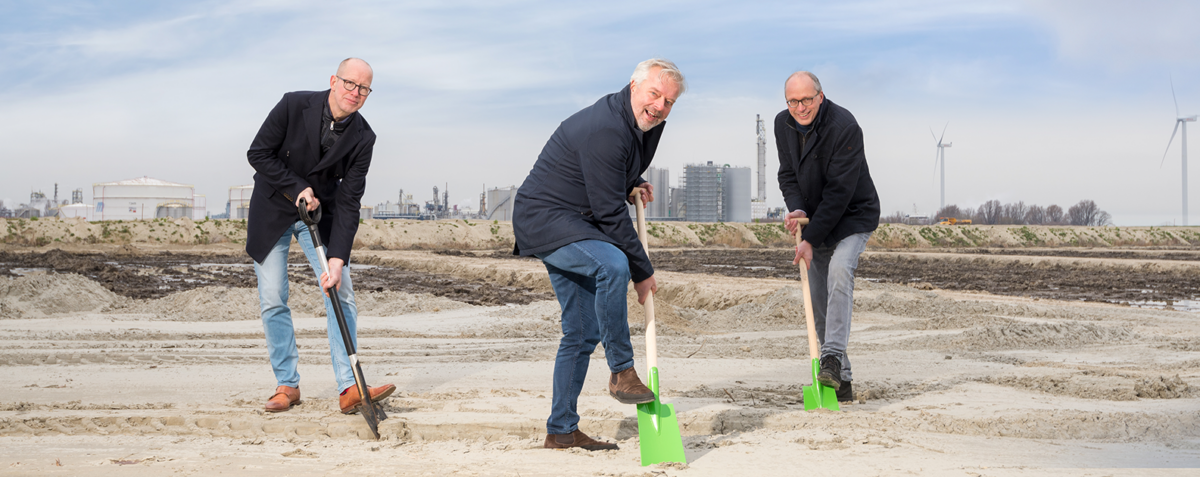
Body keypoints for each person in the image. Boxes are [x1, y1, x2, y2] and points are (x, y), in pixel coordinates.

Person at [512, 58, 686, 451]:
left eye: (669, 101)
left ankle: (561, 430)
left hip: (577, 218)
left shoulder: (645, 122)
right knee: (613, 264)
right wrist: (642, 271)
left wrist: (633, 181)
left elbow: (615, 171)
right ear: (633, 86)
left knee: (582, 331)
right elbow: (609, 211)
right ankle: (622, 371)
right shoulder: (606, 127)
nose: (660, 106)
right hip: (548, 218)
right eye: (654, 95)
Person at [246, 58, 395, 414]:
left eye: (363, 88)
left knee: (340, 291)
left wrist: (338, 259)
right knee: (273, 298)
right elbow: (258, 153)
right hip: (273, 210)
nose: (355, 93)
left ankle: (348, 387)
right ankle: (287, 385)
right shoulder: (293, 105)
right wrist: (298, 187)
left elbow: (349, 201)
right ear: (333, 80)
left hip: (318, 217)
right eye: (349, 83)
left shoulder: (364, 137)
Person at [776, 71, 880, 402]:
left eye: (807, 99)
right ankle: (841, 380)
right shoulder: (783, 124)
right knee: (818, 296)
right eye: (794, 101)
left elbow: (839, 192)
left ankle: (831, 357)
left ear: (820, 96)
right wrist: (795, 210)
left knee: (839, 273)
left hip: (852, 215)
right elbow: (787, 175)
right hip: (814, 218)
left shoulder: (844, 126)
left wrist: (810, 238)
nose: (801, 107)